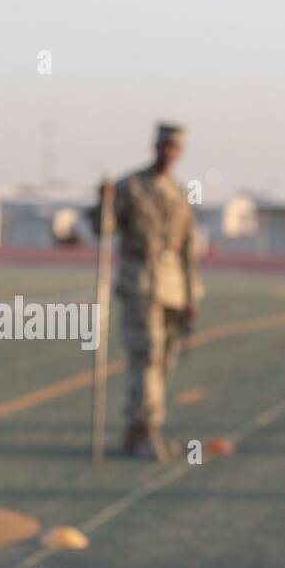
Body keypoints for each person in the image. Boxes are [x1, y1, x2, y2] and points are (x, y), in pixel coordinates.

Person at [95, 123, 203, 460]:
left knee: (165, 360)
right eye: (163, 146)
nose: (168, 153)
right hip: (140, 282)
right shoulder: (130, 187)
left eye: (174, 148)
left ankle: (138, 429)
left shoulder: (180, 194)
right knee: (147, 356)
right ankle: (146, 430)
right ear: (154, 147)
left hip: (173, 287)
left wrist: (191, 295)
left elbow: (188, 249)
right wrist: (104, 202)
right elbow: (105, 229)